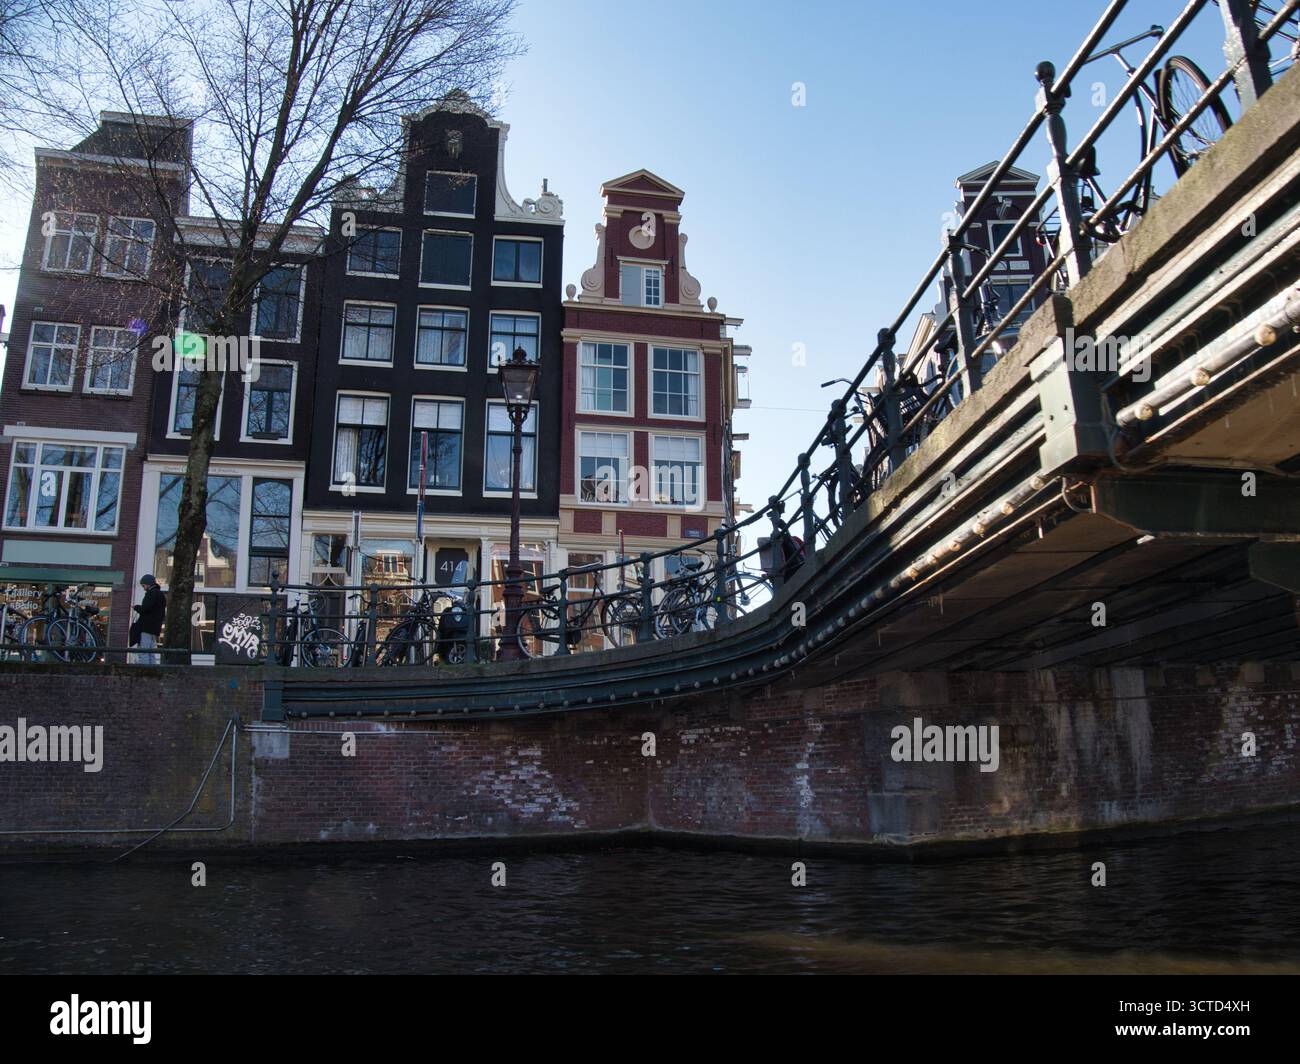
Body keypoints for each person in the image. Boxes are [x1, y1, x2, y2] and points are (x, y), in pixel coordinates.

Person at [133, 574, 166, 665]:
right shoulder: (161, 595)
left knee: (143, 651)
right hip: (155, 628)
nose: (143, 588)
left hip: (146, 627)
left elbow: (145, 609)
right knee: (151, 652)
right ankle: (152, 671)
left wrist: (136, 607)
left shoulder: (151, 594)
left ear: (148, 584)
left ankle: (145, 671)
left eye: (143, 585)